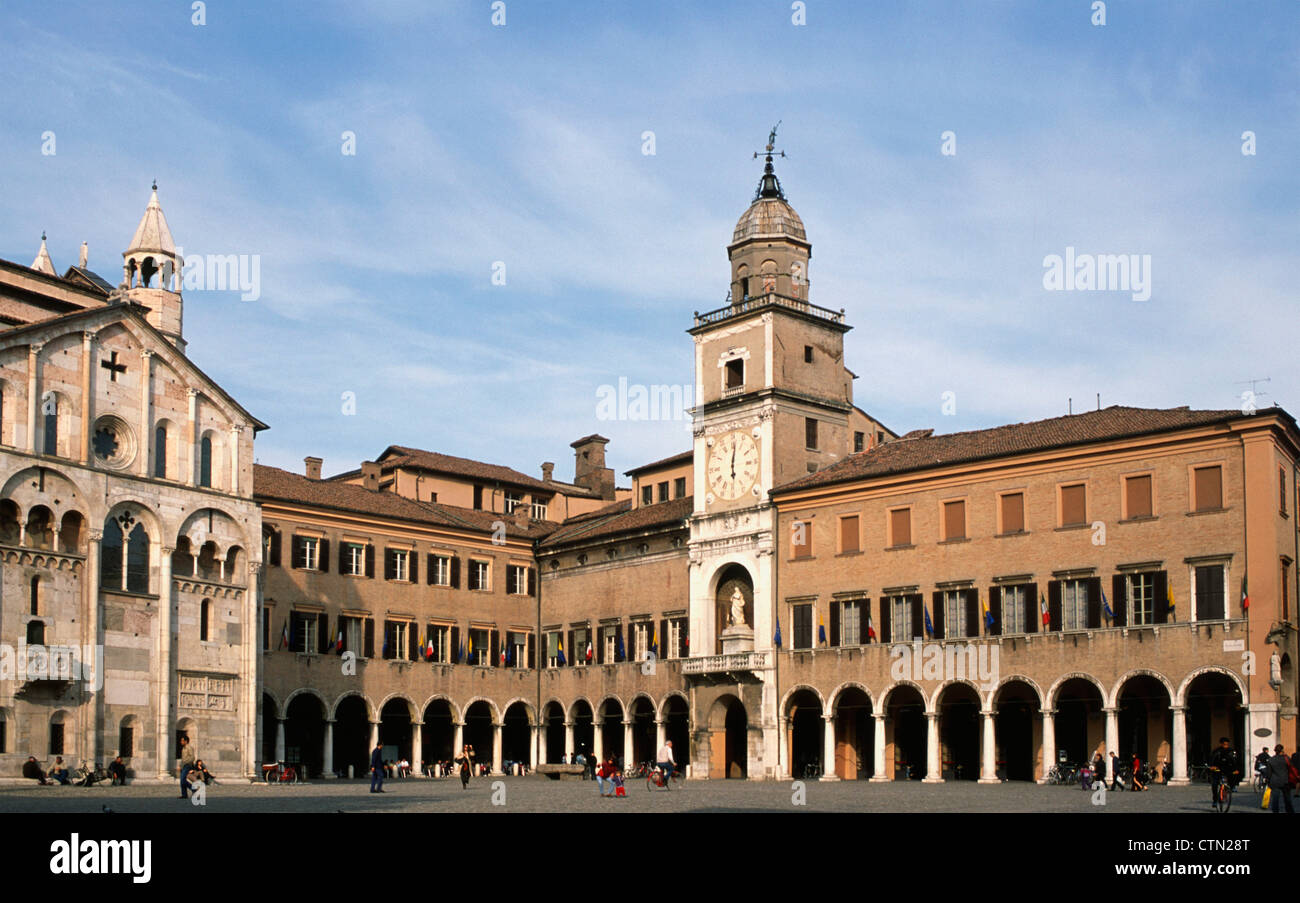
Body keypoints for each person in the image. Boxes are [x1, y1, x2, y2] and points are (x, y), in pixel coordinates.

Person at [1208, 737, 1240, 807]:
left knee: (1234, 777)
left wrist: (1236, 769)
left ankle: (1232, 787)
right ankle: (1215, 800)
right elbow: (1212, 759)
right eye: (1224, 744)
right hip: (1218, 769)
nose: (1226, 746)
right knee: (1215, 784)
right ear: (1221, 744)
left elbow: (1235, 760)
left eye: (1227, 744)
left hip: (1228, 769)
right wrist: (1212, 766)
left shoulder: (1232, 751)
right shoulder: (1217, 751)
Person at [1266, 744, 1295, 814]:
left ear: (1275, 751)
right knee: (1287, 799)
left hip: (1275, 781)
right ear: (1282, 750)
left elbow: (1269, 773)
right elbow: (1291, 768)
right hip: (1286, 781)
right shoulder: (1286, 758)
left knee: (1275, 799)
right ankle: (1289, 811)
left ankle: (1275, 811)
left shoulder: (1271, 760)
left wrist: (1268, 781)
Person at [178, 735, 197, 799]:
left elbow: (192, 757)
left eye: (182, 740)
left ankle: (193, 789)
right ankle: (184, 794)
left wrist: (185, 763)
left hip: (187, 765)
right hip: (183, 765)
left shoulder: (189, 748)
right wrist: (180, 765)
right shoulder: (183, 748)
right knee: (182, 780)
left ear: (186, 741)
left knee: (183, 780)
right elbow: (183, 758)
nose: (181, 742)